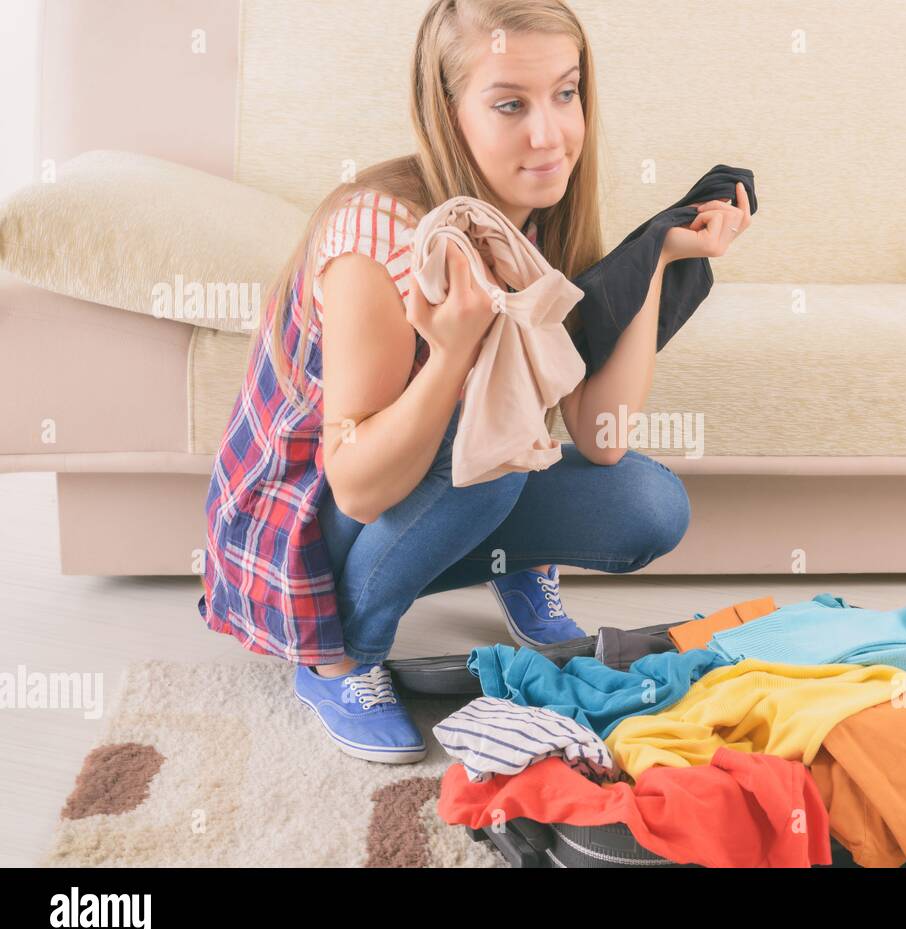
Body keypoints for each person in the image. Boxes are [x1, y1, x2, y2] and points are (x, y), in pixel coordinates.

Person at [196, 0, 752, 764]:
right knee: (487, 461)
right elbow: (355, 485)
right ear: (447, 113)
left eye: (566, 93)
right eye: (509, 104)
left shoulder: (531, 219)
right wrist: (451, 354)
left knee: (647, 504)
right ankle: (340, 657)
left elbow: (600, 434)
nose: (550, 133)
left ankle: (511, 563)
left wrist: (659, 258)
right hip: (303, 522)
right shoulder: (380, 236)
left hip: (438, 482)